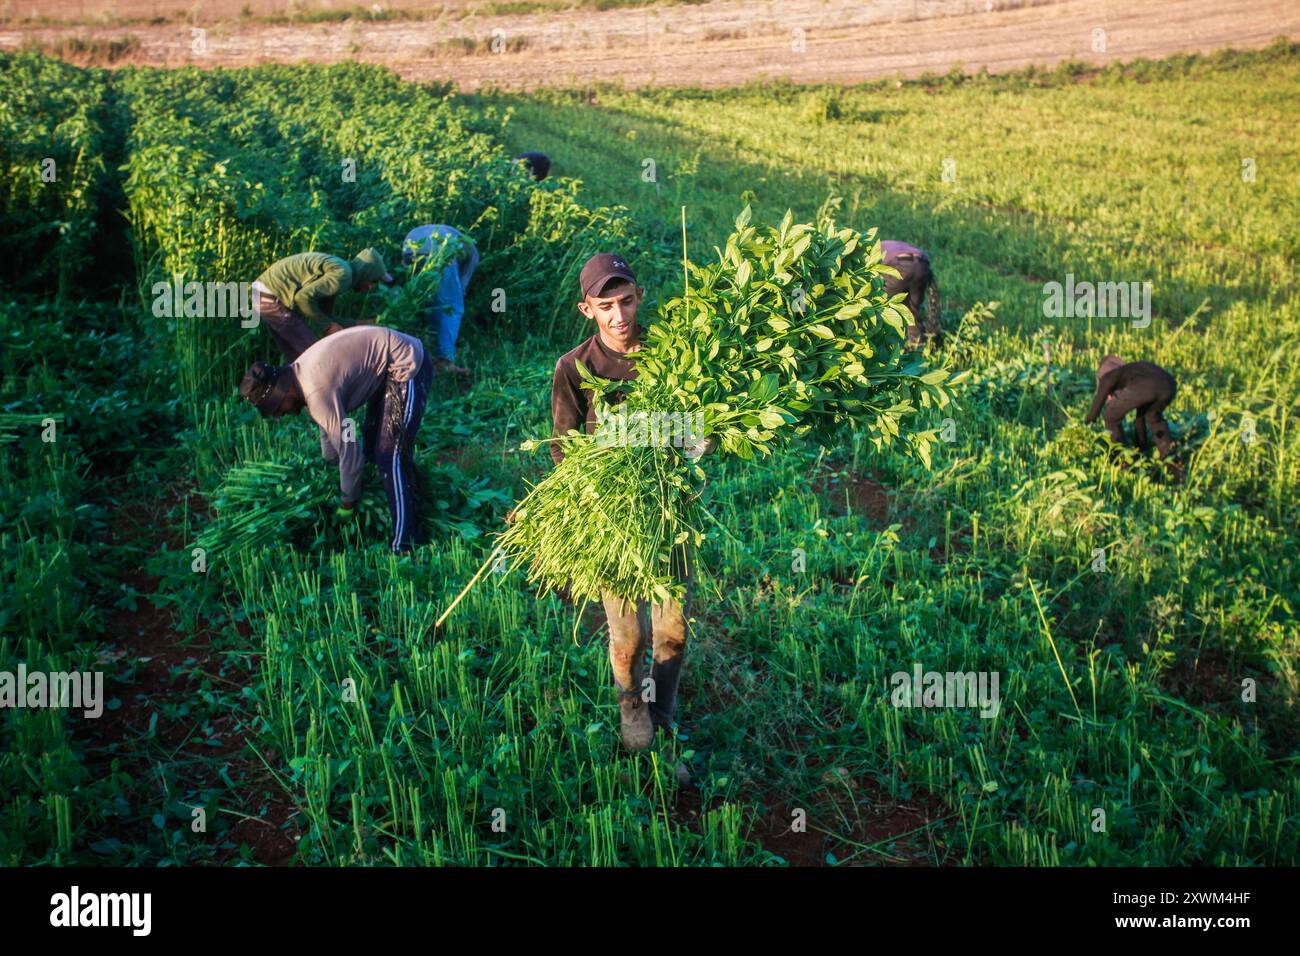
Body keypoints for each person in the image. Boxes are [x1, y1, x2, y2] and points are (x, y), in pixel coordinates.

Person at [549, 253, 712, 752]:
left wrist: (697, 442)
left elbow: (699, 426)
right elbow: (564, 446)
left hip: (671, 510)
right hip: (612, 519)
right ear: (586, 310)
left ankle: (664, 713)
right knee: (629, 636)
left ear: (640, 296)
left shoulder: (673, 356)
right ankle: (631, 706)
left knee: (674, 630)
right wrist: (591, 493)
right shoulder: (575, 368)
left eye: (626, 301)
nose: (619, 316)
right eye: (606, 306)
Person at [237, 325, 432, 553]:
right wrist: (331, 466)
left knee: (390, 456)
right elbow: (333, 427)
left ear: (284, 393)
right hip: (384, 372)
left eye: (277, 409)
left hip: (404, 365)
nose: (279, 416)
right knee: (370, 447)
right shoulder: (299, 375)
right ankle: (412, 497)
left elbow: (349, 451)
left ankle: (406, 543)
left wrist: (348, 502)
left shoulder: (314, 390)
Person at [252, 248, 393, 362]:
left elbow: (326, 317)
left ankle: (295, 395)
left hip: (263, 293)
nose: (371, 287)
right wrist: (329, 326)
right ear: (365, 273)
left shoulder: (341, 272)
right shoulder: (343, 275)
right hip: (270, 295)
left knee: (297, 358)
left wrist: (362, 324)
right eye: (373, 281)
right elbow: (302, 298)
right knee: (315, 355)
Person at [401, 224, 479, 375]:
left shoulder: (453, 235)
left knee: (426, 302)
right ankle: (445, 361)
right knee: (453, 305)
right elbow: (460, 288)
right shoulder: (473, 254)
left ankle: (423, 351)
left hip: (411, 245)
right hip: (439, 249)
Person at [1085, 355, 1178, 457]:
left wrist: (1090, 420)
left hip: (1150, 385)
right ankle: (1170, 456)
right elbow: (1140, 419)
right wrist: (1141, 447)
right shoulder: (1133, 373)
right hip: (1169, 386)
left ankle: (1121, 459)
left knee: (1110, 416)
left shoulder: (1109, 376)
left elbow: (1104, 386)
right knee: (1153, 419)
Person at [882, 239, 942, 349]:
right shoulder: (892, 244)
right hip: (922, 265)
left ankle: (886, 346)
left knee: (878, 304)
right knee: (911, 310)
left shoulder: (870, 251)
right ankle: (916, 347)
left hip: (899, 265)